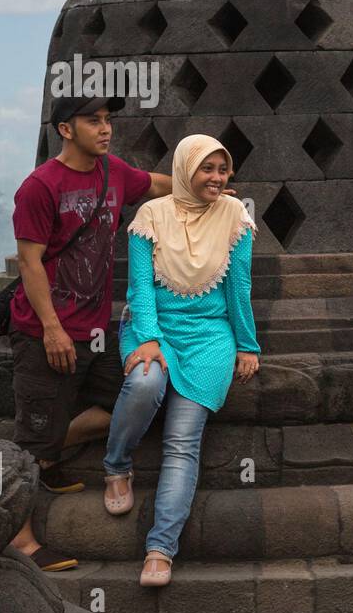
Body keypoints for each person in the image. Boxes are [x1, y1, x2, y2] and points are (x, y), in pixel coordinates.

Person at [8, 95, 172, 570]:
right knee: (31, 437)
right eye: (92, 121)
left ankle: (53, 450)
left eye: (107, 121)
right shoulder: (40, 186)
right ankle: (21, 539)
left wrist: (204, 186)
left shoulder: (112, 173)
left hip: (98, 332)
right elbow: (29, 261)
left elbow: (155, 183)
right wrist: (52, 330)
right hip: (45, 332)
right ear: (65, 129)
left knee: (134, 395)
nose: (105, 129)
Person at [100, 134, 260, 586]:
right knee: (145, 383)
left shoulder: (234, 216)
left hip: (210, 336)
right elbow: (140, 287)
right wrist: (148, 338)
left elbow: (238, 287)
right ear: (185, 171)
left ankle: (160, 549)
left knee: (183, 441)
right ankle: (116, 466)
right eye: (205, 169)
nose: (215, 178)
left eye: (222, 169)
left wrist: (247, 345)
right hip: (153, 326)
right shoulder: (151, 215)